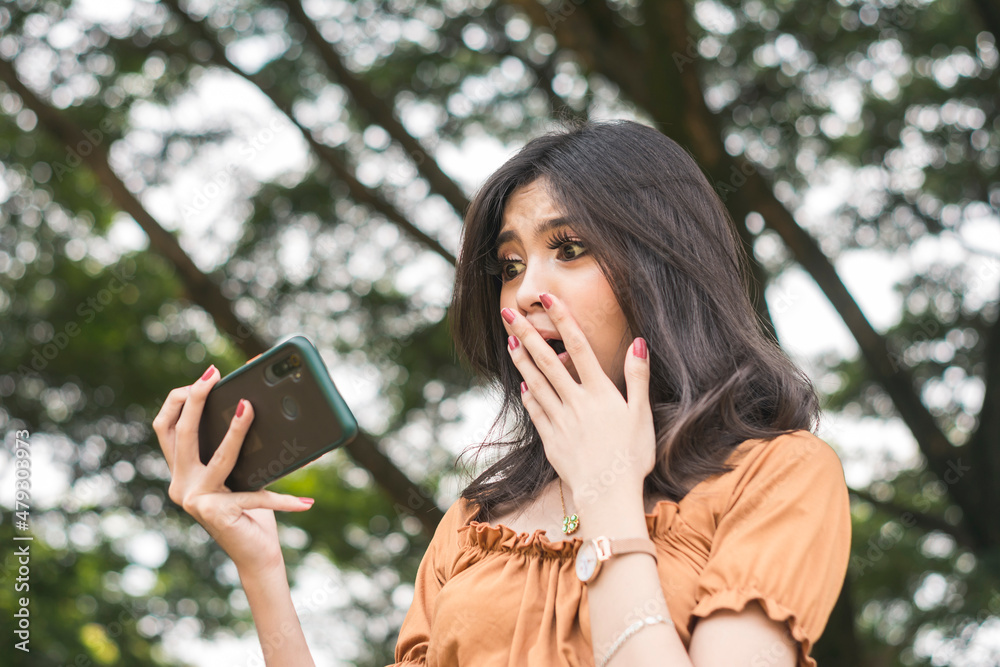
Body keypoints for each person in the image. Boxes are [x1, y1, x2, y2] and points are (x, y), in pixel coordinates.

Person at [153, 120, 851, 667]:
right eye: (511, 265)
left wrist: (608, 491)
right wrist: (261, 567)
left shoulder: (778, 476)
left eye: (570, 248)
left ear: (664, 265)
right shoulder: (479, 517)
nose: (526, 291)